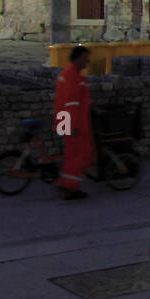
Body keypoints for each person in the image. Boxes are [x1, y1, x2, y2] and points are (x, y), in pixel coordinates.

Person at [54, 45, 95, 199]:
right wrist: (74, 126)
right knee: (81, 154)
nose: (87, 62)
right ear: (77, 59)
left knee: (71, 154)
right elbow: (71, 103)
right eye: (85, 58)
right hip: (73, 120)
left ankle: (66, 181)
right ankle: (71, 186)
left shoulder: (70, 74)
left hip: (65, 119)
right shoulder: (73, 76)